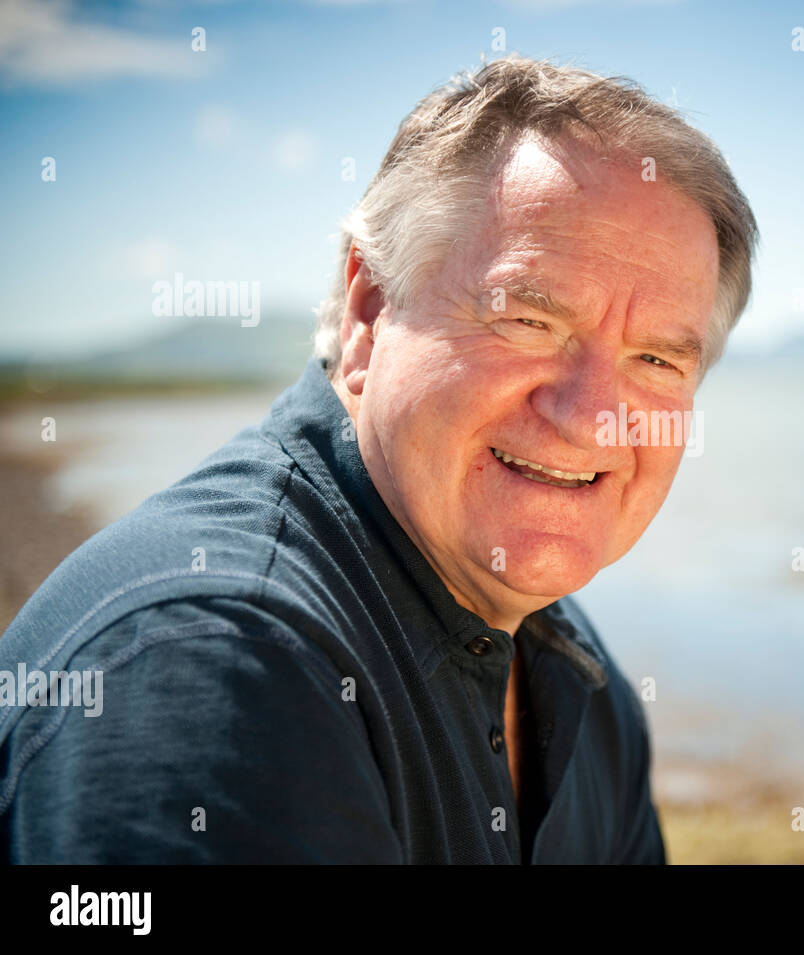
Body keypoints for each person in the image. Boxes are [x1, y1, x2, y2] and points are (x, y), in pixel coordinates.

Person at [0, 55, 758, 864]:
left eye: (656, 361)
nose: (590, 417)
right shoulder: (218, 662)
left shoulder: (579, 676)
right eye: (530, 322)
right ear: (368, 311)